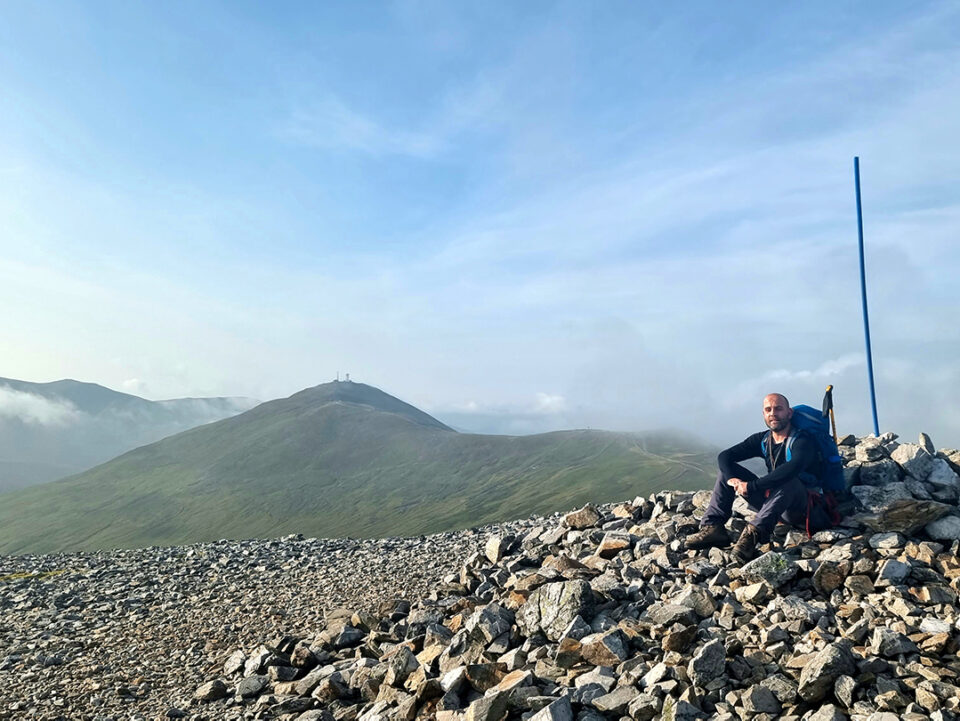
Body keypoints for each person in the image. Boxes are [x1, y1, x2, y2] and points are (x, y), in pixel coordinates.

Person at [684, 393, 818, 563]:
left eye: (778, 409)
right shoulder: (763, 440)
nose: (773, 413)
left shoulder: (803, 440)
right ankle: (713, 527)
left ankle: (752, 536)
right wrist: (733, 479)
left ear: (789, 413)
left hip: (804, 509)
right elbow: (725, 456)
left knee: (789, 479)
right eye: (768, 409)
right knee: (725, 473)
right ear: (763, 414)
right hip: (774, 507)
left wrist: (752, 486)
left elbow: (793, 468)